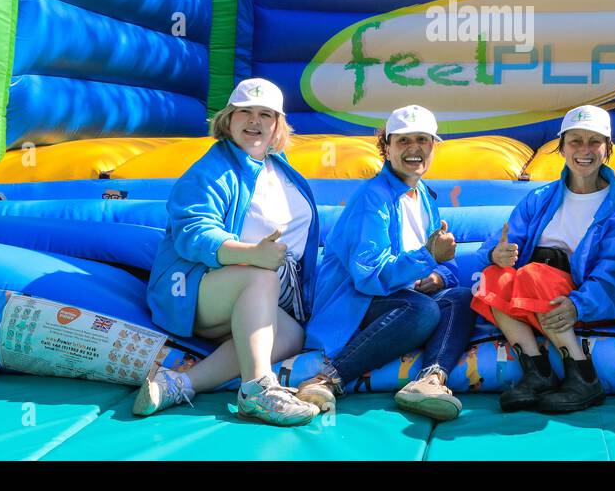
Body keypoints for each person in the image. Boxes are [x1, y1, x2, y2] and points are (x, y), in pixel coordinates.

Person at [138, 78, 322, 426]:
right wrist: (252, 253)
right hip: (192, 288)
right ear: (228, 119)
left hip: (256, 292)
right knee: (260, 277)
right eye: (245, 113)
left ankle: (179, 384)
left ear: (278, 124)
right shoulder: (212, 169)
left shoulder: (277, 165)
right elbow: (193, 233)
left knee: (290, 335)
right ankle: (256, 389)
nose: (255, 122)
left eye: (265, 114)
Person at [299, 106, 475, 421]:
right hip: (354, 304)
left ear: (434, 147)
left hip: (399, 299)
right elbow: (369, 277)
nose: (414, 148)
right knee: (422, 309)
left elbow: (443, 268)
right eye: (403, 141)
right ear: (387, 147)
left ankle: (429, 381)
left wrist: (435, 277)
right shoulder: (373, 198)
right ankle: (327, 378)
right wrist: (427, 258)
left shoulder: (424, 196)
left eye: (422, 139)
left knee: (461, 297)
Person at [472, 105, 615, 413]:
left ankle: (582, 373)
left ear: (608, 149)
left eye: (594, 141)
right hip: (532, 288)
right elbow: (503, 241)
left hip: (582, 297)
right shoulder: (540, 198)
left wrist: (579, 304)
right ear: (561, 148)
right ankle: (536, 371)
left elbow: (613, 271)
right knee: (493, 276)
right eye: (575, 141)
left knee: (534, 274)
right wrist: (497, 254)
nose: (584, 150)